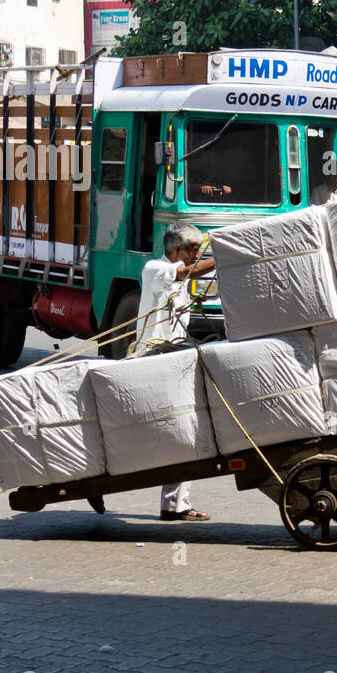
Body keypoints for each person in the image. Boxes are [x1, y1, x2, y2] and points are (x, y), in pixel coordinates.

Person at [138, 222, 216, 521]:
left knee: (184, 431)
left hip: (173, 358)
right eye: (192, 250)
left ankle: (176, 504)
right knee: (168, 431)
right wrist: (222, 255)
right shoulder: (154, 269)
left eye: (199, 250)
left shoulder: (178, 275)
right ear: (175, 249)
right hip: (151, 358)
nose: (195, 256)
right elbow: (186, 273)